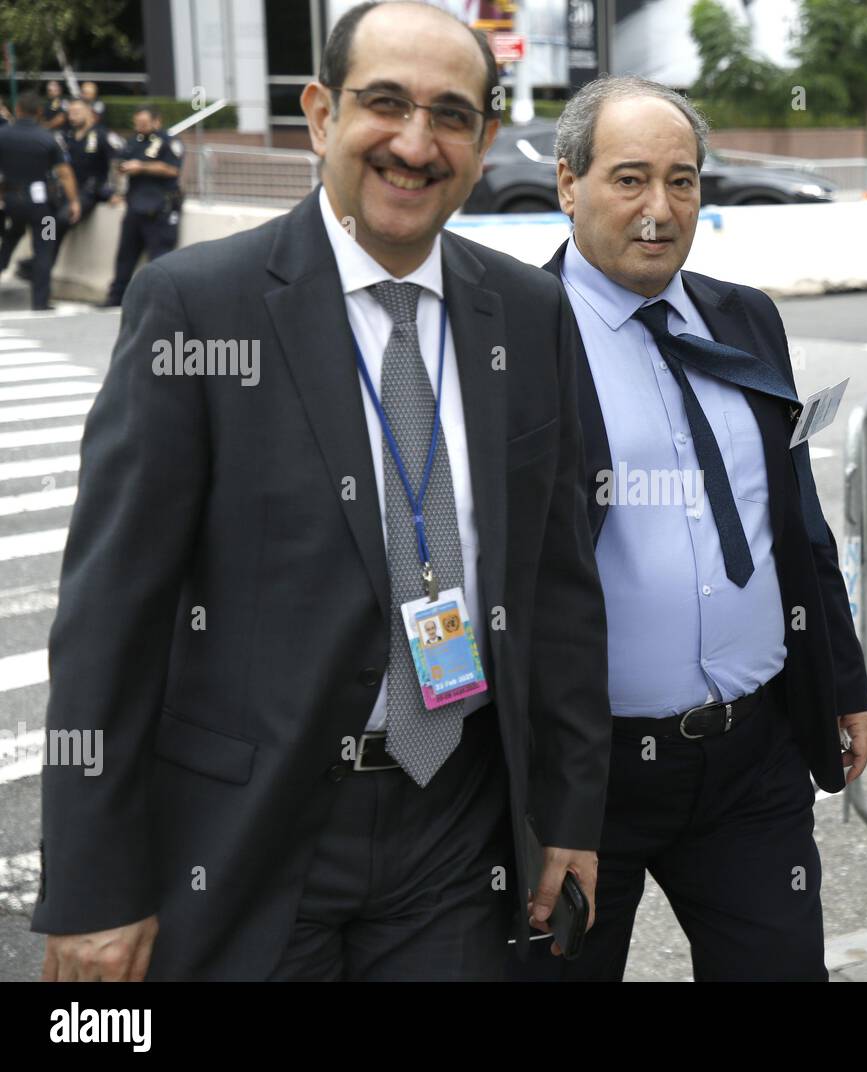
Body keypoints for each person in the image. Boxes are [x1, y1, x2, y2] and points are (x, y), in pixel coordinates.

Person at [32, 0, 610, 981]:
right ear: (320, 114)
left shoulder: (529, 310)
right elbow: (111, 617)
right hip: (247, 838)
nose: (415, 143)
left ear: (481, 140)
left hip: (455, 832)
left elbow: (560, 583)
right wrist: (93, 887)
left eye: (451, 115)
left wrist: (566, 807)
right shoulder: (196, 304)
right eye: (384, 104)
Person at [526, 76, 867, 982]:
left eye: (682, 181)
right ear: (568, 184)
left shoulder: (743, 316)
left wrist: (839, 676)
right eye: (629, 179)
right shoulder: (514, 337)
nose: (659, 209)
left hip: (751, 762)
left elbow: (793, 514)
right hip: (587, 778)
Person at [17, 98, 114, 280]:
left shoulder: (101, 136)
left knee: (61, 219)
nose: (73, 116)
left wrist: (115, 193)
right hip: (65, 191)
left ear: (89, 113)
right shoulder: (66, 136)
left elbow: (117, 163)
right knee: (48, 219)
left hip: (90, 191)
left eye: (77, 112)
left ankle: (41, 262)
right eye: (70, 113)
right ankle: (41, 261)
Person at [0, 91, 80, 310]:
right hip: (42, 208)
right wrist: (74, 202)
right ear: (39, 112)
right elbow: (65, 173)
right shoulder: (48, 138)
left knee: (10, 237)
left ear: (17, 110)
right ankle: (40, 301)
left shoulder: (3, 135)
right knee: (45, 247)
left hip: (12, 202)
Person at [100, 104, 183, 308]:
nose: (140, 126)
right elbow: (120, 163)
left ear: (157, 121)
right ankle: (116, 297)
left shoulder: (169, 142)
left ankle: (160, 301)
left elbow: (173, 170)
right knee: (125, 255)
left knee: (160, 257)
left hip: (161, 207)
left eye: (144, 123)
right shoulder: (133, 142)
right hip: (135, 205)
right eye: (137, 123)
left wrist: (142, 166)